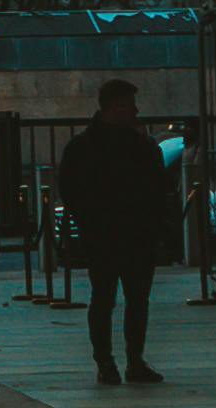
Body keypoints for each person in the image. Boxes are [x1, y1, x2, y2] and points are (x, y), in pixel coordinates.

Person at [57, 81, 179, 386]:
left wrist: (90, 220)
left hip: (103, 235)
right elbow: (158, 188)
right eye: (130, 104)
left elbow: (70, 191)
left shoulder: (82, 146)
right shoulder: (142, 146)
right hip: (135, 234)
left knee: (104, 299)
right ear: (116, 106)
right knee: (135, 300)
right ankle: (133, 361)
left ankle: (107, 363)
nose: (136, 110)